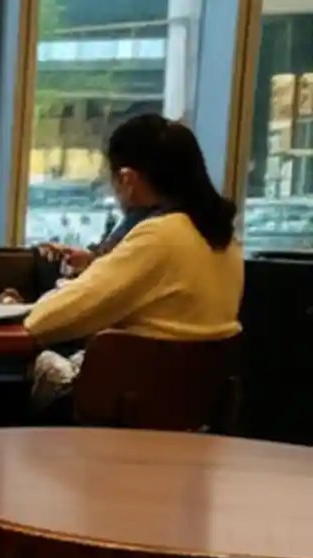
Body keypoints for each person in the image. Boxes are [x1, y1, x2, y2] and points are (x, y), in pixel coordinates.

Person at [24, 114, 244, 414]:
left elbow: (43, 321)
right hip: (187, 416)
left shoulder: (158, 235)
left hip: (125, 414)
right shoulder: (223, 238)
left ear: (127, 179)